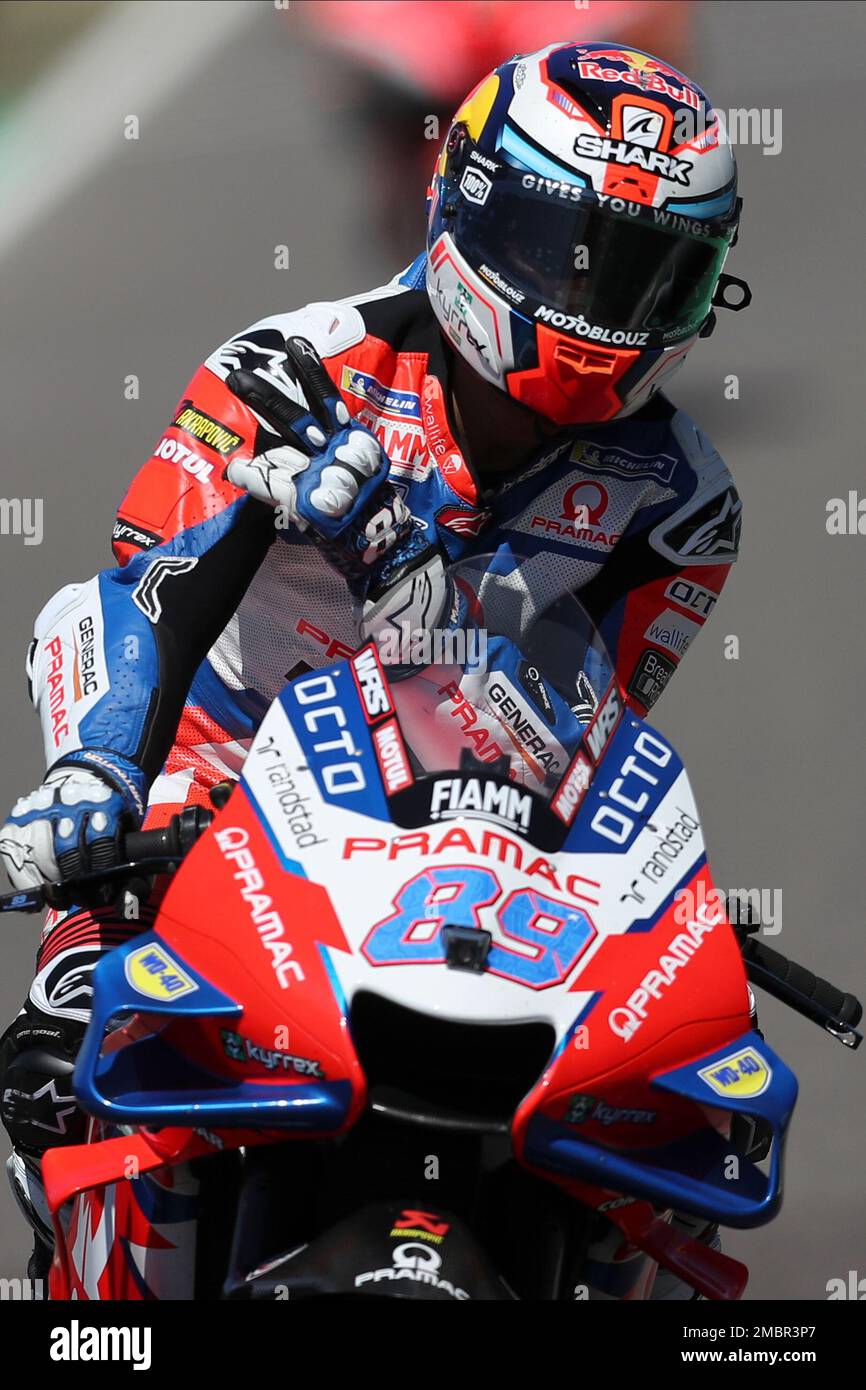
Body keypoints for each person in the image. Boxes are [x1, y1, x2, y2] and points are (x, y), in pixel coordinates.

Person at [0, 42, 748, 1297]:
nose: (600, 304)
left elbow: (584, 735)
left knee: (664, 1143)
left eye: (644, 271)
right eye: (569, 253)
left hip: (465, 849)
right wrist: (93, 773)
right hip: (216, 816)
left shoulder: (681, 501)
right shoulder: (282, 375)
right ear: (462, 204)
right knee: (71, 1068)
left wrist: (427, 586)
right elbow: (136, 598)